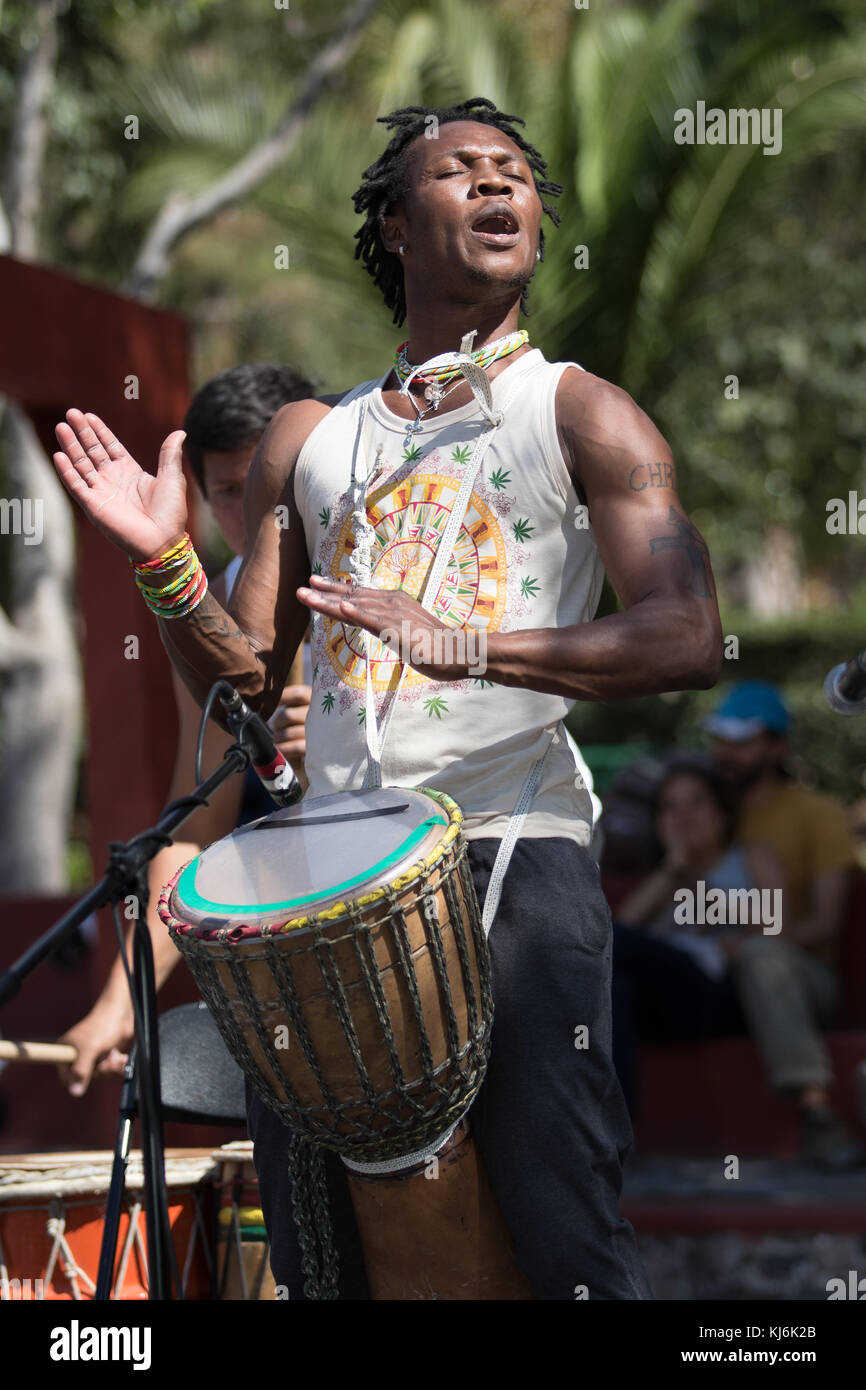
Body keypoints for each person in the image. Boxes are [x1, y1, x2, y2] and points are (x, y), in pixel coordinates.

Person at [51, 94, 726, 1300]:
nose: (496, 185)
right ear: (396, 228)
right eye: (461, 170)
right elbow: (246, 685)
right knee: (324, 1251)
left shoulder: (577, 409)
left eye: (513, 173)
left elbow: (685, 633)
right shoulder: (314, 439)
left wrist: (467, 646)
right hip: (323, 877)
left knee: (557, 1224)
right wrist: (163, 570)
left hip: (510, 846)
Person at [57, 364, 314, 1096]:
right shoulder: (212, 612)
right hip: (302, 950)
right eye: (229, 492)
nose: (250, 512)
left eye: (268, 489)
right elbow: (197, 828)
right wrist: (120, 1004)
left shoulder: (388, 566)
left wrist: (345, 744)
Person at [706, 680, 863, 1167]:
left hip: (803, 979)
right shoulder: (705, 811)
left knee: (762, 956)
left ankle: (817, 1113)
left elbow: (825, 924)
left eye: (743, 741)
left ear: (779, 746)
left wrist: (749, 943)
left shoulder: (818, 815)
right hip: (712, 976)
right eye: (721, 739)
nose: (727, 753)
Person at [612, 760, 782, 1116]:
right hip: (666, 1001)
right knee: (617, 985)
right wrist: (674, 867)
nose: (683, 816)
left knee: (611, 948)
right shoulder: (664, 874)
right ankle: (617, 1132)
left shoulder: (751, 855)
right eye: (670, 807)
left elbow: (774, 920)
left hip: (719, 992)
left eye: (696, 802)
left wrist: (699, 891)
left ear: (722, 811)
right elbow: (616, 935)